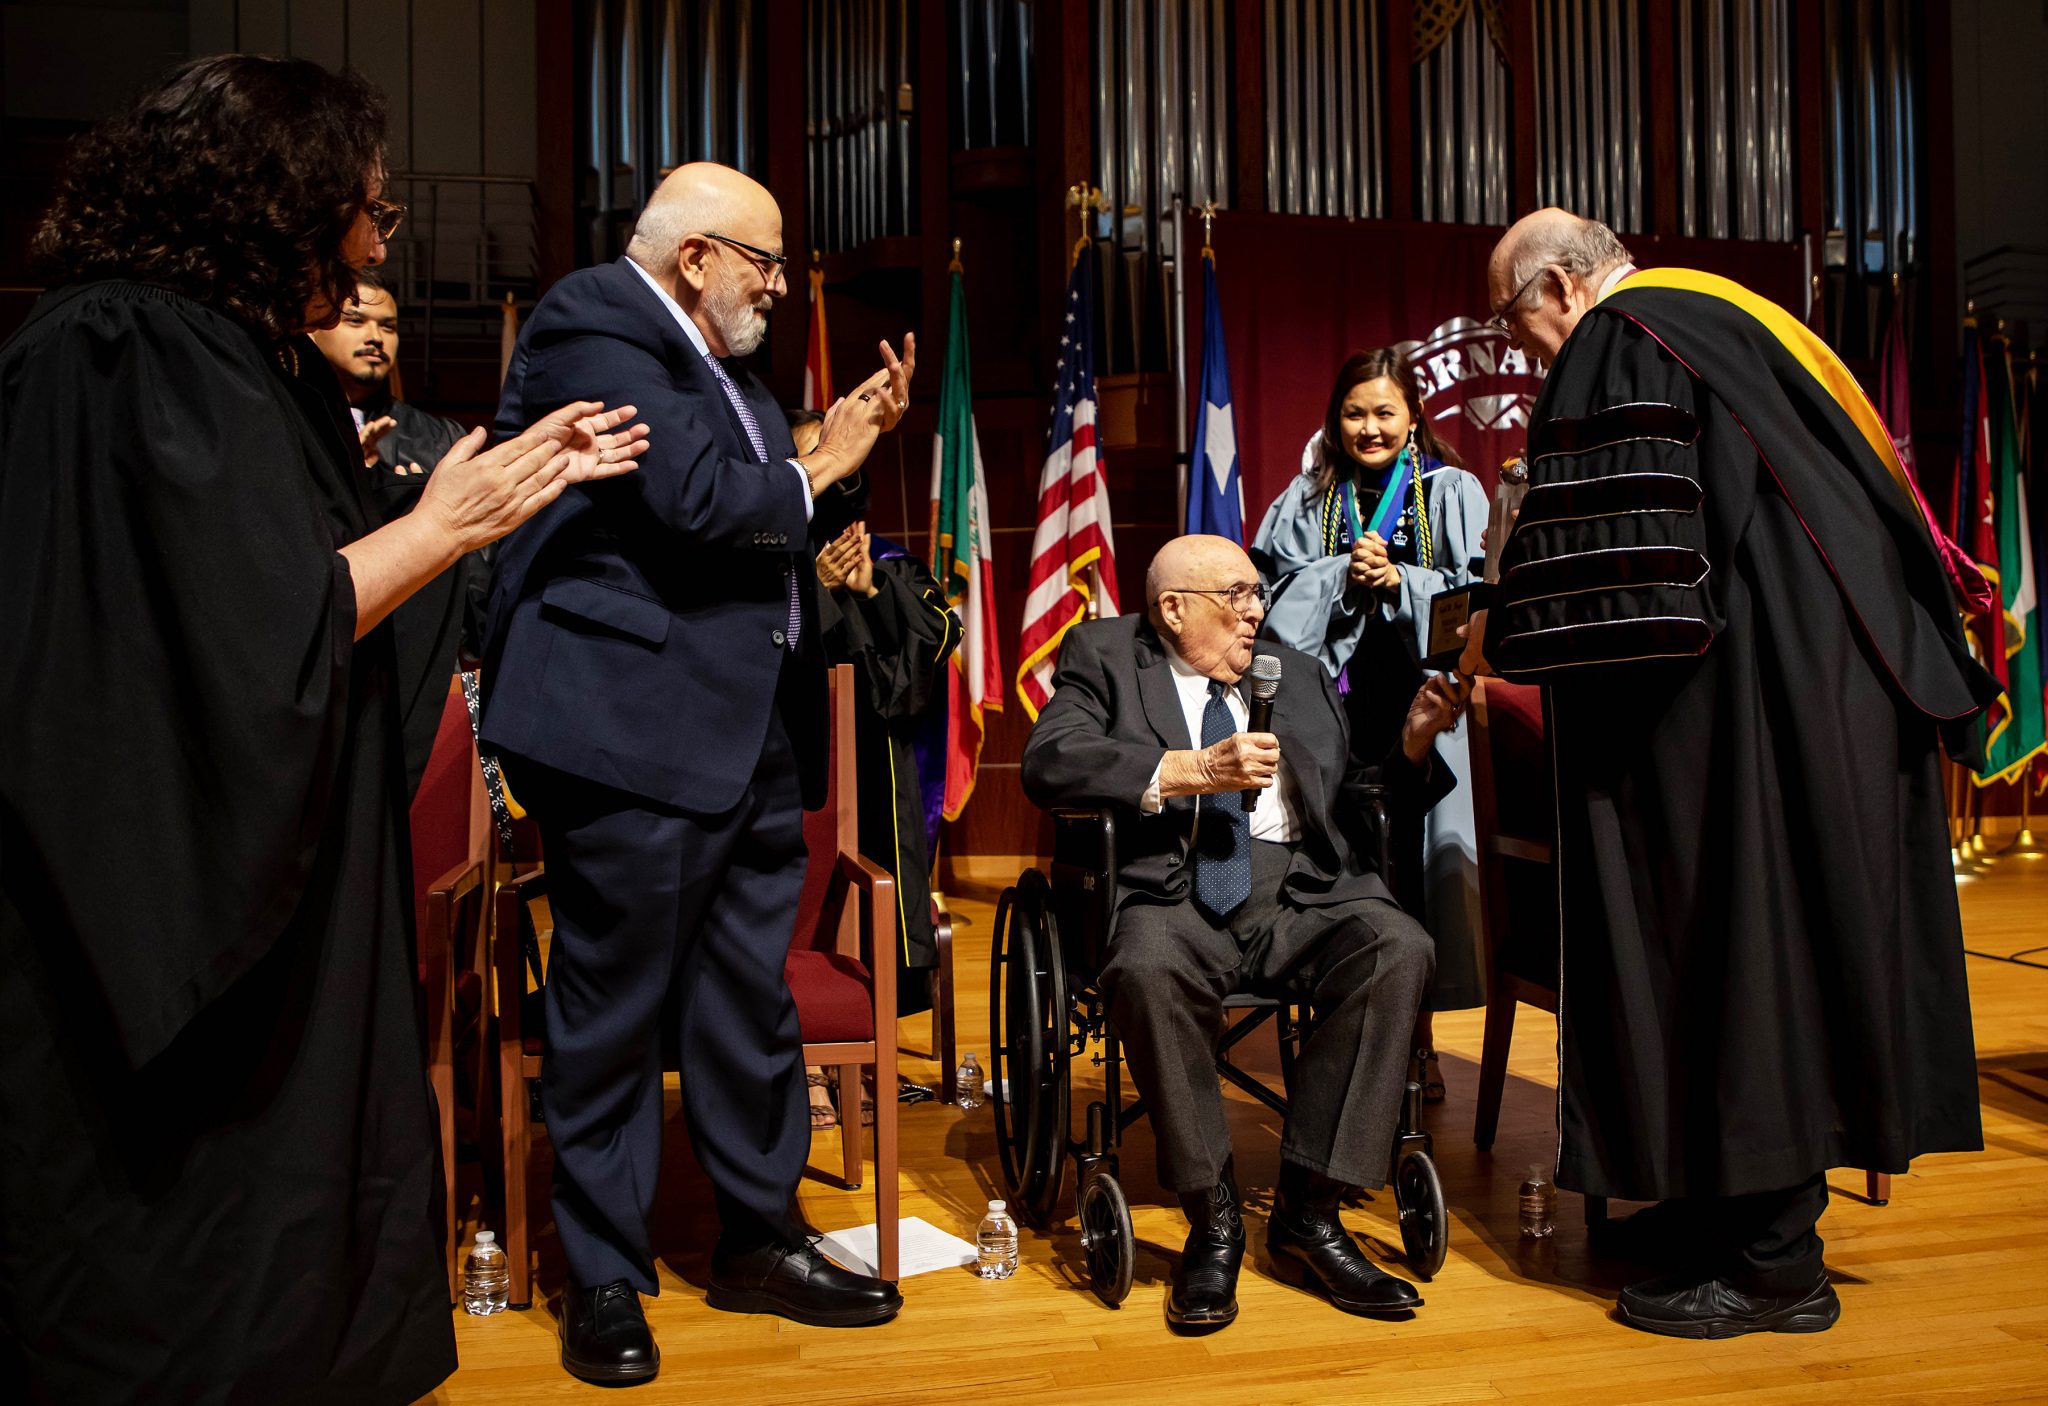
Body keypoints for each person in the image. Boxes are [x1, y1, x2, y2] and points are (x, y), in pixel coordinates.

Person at [0, 54, 646, 1404]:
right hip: (161, 926)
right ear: (272, 198)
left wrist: (444, 523)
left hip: (276, 902)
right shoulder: (136, 350)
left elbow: (304, 601)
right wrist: (434, 530)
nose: (371, 242)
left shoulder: (215, 351)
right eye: (362, 207)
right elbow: (230, 646)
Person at [1471, 208, 1998, 1338]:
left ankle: (1770, 1266)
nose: (1526, 353)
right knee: (1784, 945)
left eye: (1517, 325)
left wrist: (1499, 621)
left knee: (1746, 950)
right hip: (1825, 693)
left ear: (1559, 287)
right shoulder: (1737, 325)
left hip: (1736, 712)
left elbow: (1613, 579)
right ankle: (1724, 1218)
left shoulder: (1625, 340)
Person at [481, 162, 915, 1386]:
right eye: (765, 262)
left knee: (747, 998)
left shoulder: (721, 362)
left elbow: (768, 503)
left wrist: (840, 449)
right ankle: (604, 1272)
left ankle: (757, 1235)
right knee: (612, 1010)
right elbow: (687, 502)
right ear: (696, 259)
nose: (780, 285)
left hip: (742, 725)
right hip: (628, 730)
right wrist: (822, 457)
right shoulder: (593, 321)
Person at [1020, 534, 1468, 1332]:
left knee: (1398, 946)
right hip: (1171, 888)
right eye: (1236, 596)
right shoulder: (1106, 654)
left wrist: (1414, 739)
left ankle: (1309, 1213)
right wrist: (1193, 769)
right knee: (1149, 969)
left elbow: (1357, 794)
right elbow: (1051, 760)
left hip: (1298, 890)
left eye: (1258, 594)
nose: (1256, 610)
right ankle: (1214, 1217)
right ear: (1173, 608)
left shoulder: (1293, 672)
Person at [1253, 349, 1491, 1100]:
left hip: (1422, 710)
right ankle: (1343, 1034)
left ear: (1414, 415)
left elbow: (1478, 598)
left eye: (1385, 412)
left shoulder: (1451, 492)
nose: (1369, 427)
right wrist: (1340, 578)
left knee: (1412, 874)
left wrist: (1403, 581)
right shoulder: (1306, 497)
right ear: (1336, 419)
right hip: (1330, 713)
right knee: (1345, 866)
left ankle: (1415, 1042)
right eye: (1354, 413)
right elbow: (1268, 595)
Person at [310, 267, 483, 797]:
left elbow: (472, 565)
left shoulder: (436, 436)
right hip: (329, 651)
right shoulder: (289, 421)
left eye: (387, 326)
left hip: (424, 663)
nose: (374, 337)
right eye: (355, 319)